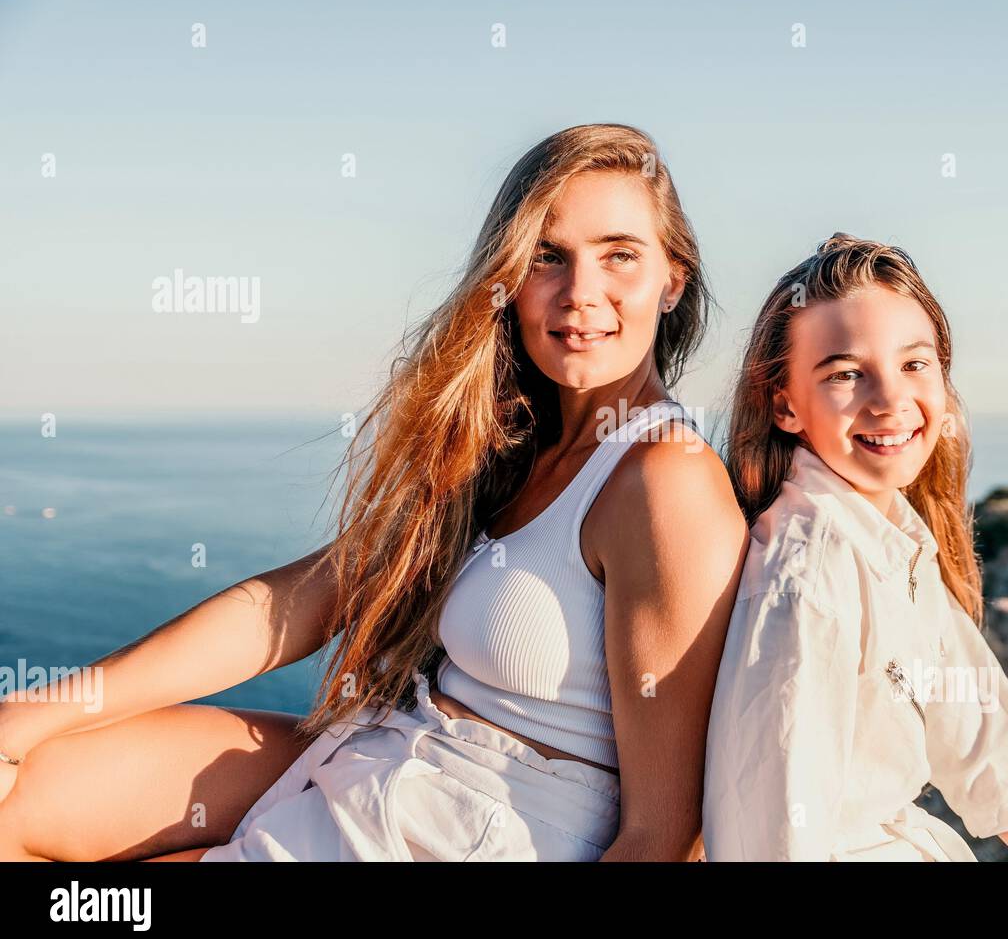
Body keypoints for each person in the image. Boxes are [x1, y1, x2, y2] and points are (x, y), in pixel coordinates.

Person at [0, 124, 747, 862]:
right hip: (382, 761)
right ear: (509, 279)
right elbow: (312, 595)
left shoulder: (665, 479)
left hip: (468, 828)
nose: (581, 292)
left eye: (620, 255)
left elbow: (664, 834)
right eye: (548, 257)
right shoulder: (516, 444)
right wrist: (26, 713)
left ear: (672, 277)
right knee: (20, 785)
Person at [702, 234, 1008, 861]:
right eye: (846, 374)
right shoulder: (811, 571)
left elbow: (990, 758)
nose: (890, 401)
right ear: (784, 404)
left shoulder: (895, 541)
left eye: (914, 364)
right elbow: (773, 833)